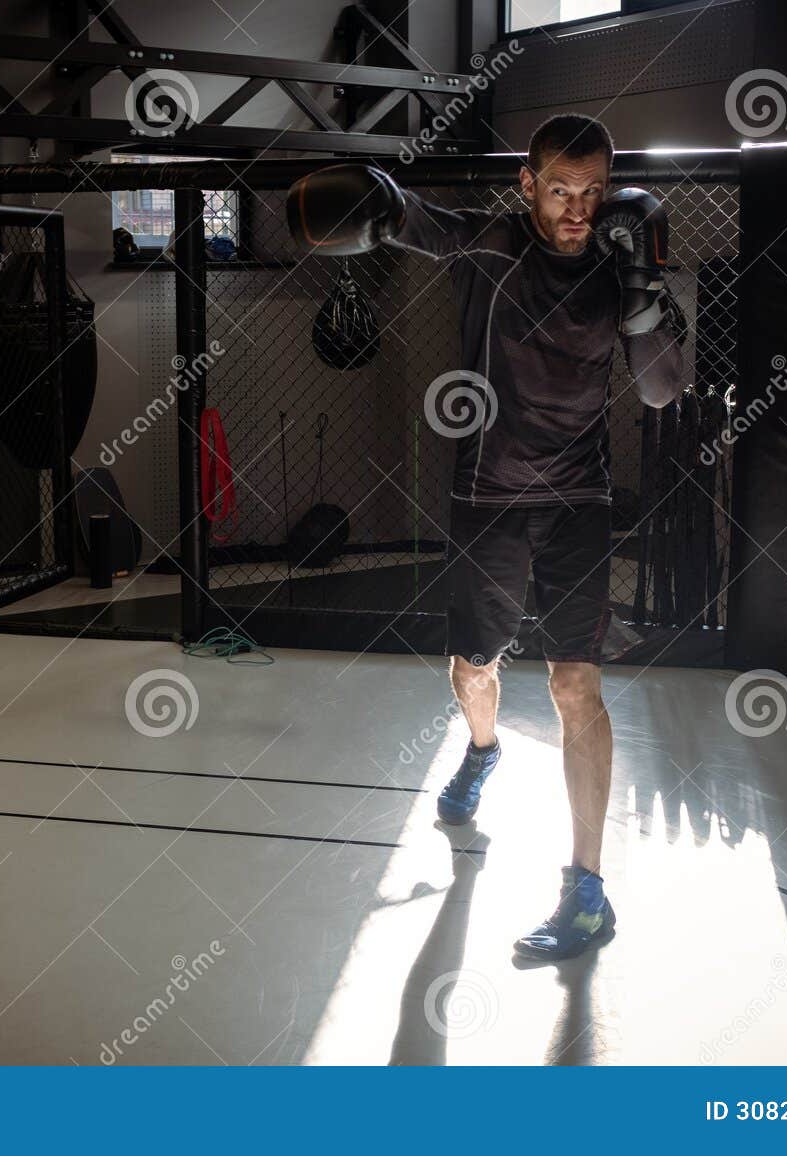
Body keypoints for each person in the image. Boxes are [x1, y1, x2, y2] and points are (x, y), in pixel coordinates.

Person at [288, 114, 688, 960]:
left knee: (577, 686)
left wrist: (650, 291)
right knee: (476, 666)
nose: (577, 210)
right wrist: (379, 201)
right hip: (490, 496)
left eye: (591, 192)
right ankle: (482, 750)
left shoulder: (622, 263)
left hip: (580, 498)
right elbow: (410, 219)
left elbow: (660, 392)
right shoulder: (489, 248)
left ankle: (587, 893)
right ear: (528, 187)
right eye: (559, 191)